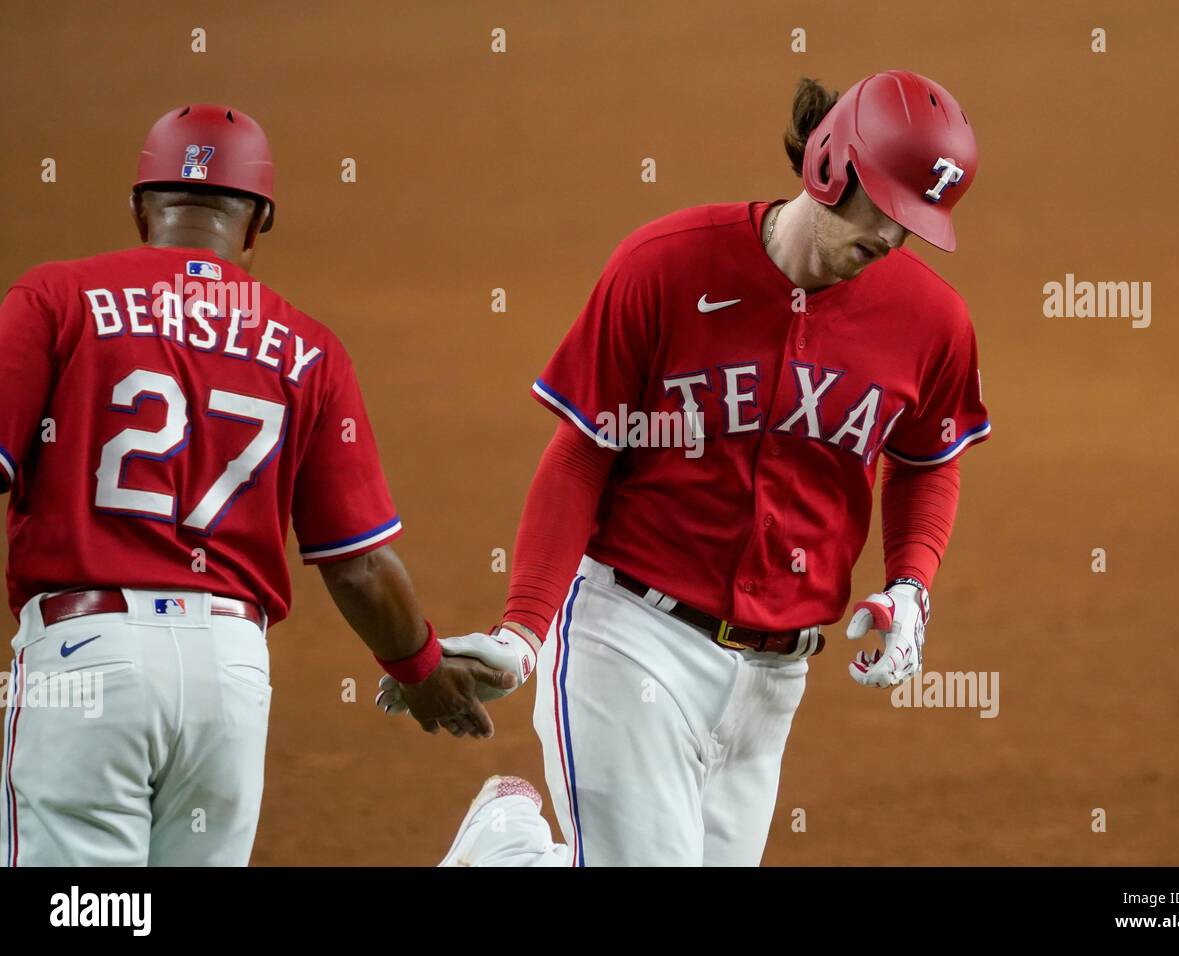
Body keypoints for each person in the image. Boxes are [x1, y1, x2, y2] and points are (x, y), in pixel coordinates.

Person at [408, 70, 991, 867]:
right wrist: (523, 630)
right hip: (631, 641)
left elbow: (925, 460)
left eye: (916, 222)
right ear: (830, 165)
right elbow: (583, 451)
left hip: (774, 681)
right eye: (885, 208)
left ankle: (506, 856)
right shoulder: (667, 267)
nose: (892, 238)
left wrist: (911, 587)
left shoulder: (932, 322)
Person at [0, 104, 511, 867]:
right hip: (229, 674)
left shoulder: (55, 298)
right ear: (257, 223)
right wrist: (422, 668)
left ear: (141, 208)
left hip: (86, 657)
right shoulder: (308, 348)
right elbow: (359, 562)